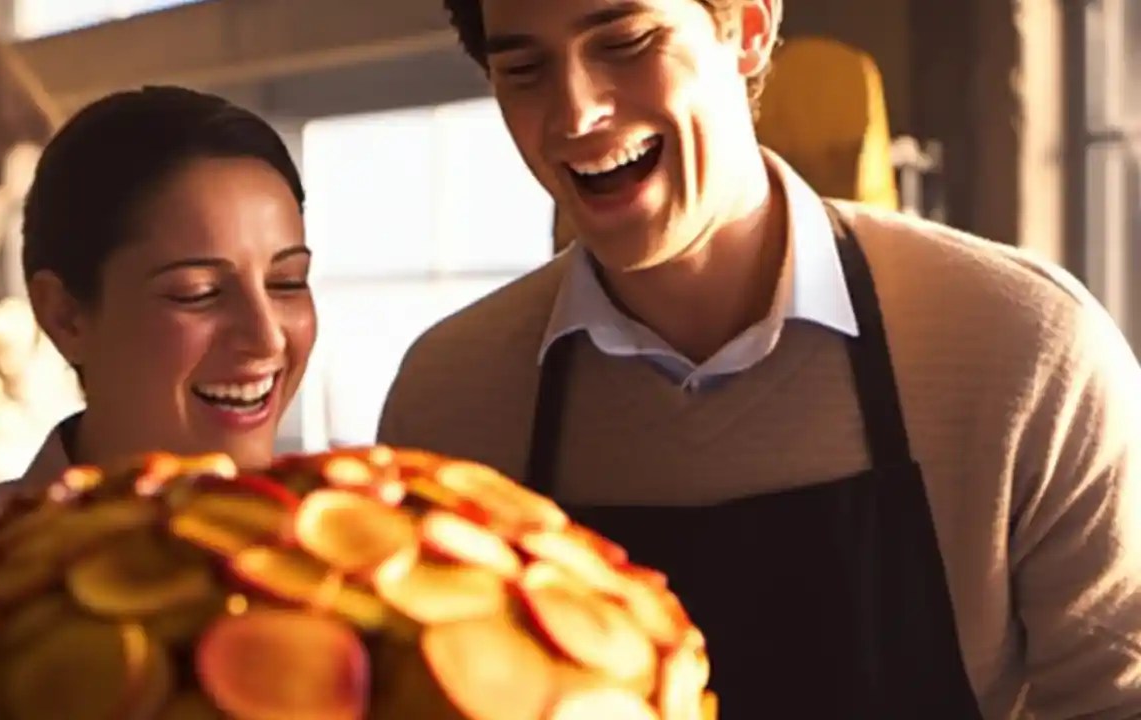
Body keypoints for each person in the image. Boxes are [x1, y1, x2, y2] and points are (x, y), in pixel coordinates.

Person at [377, 1, 1141, 718]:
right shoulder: (449, 400)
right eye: (525, 70)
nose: (575, 113)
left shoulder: (1023, 348)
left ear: (747, 26)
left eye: (626, 42)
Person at [0, 86, 316, 600]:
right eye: (199, 292)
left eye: (287, 282)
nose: (265, 336)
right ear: (66, 316)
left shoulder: (353, 567)